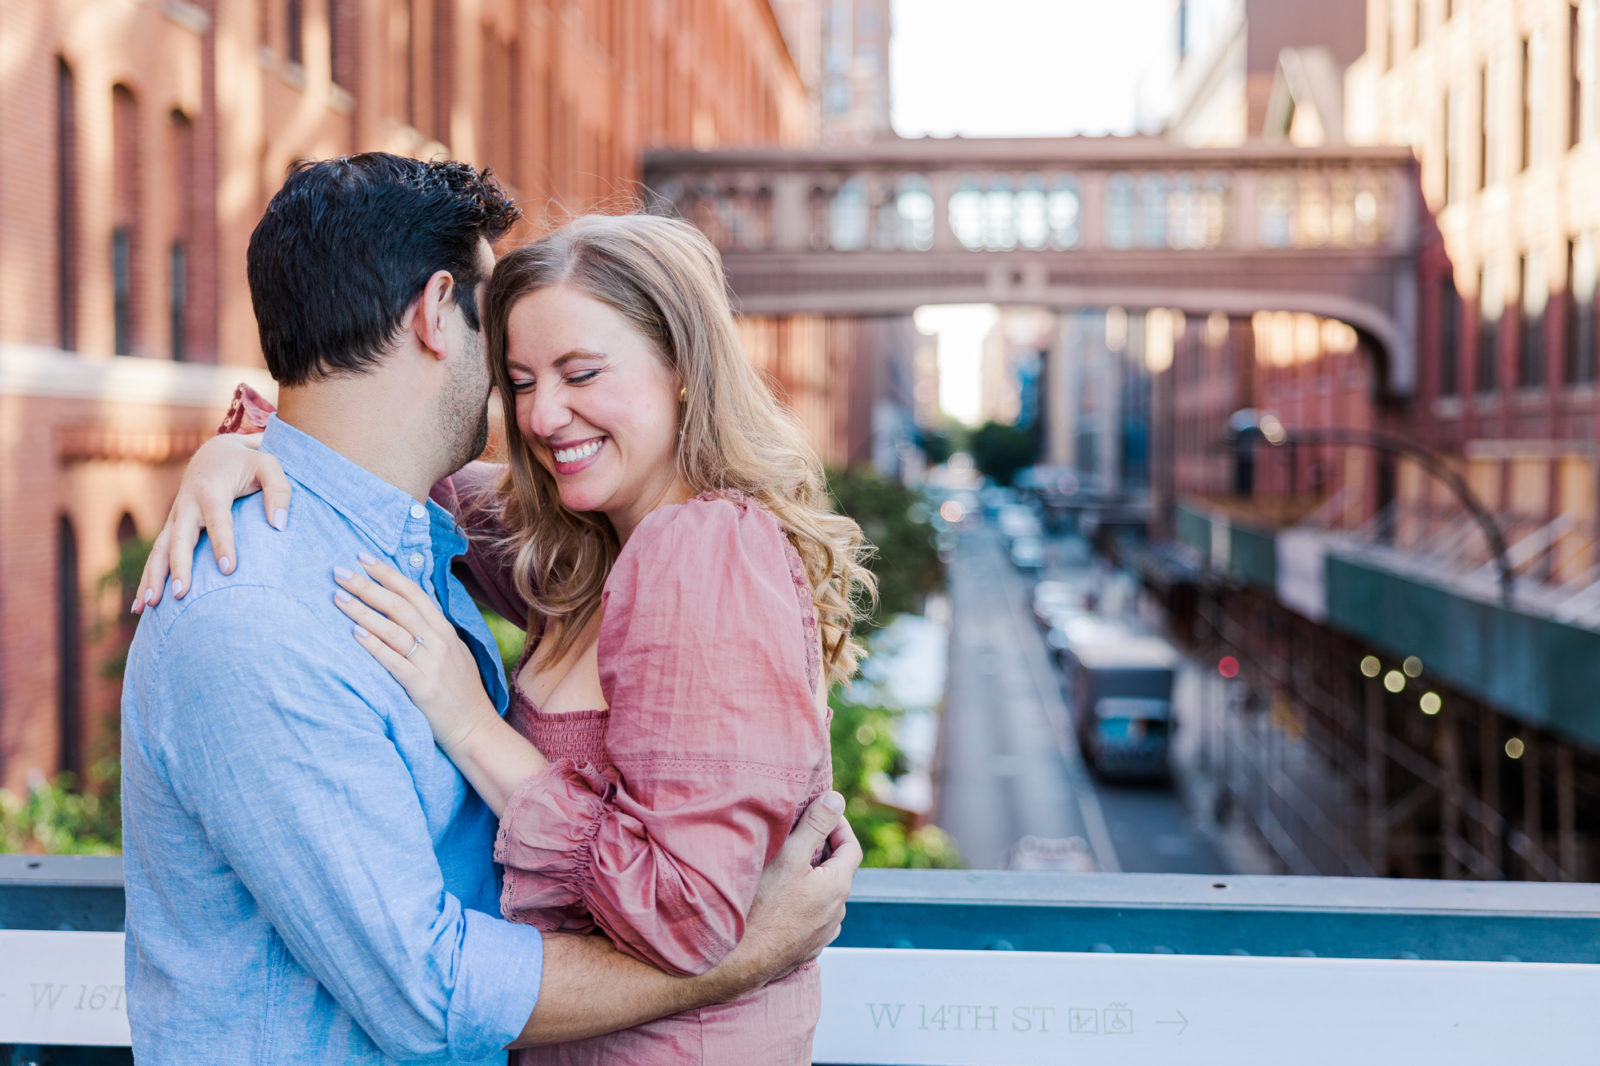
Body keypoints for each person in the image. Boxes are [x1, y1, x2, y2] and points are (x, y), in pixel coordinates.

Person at [121, 154, 859, 1065]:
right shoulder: (285, 602)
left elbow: (680, 898)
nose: (541, 415)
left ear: (680, 368)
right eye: (516, 374)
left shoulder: (646, 543)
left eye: (579, 371)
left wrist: (471, 723)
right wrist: (233, 449)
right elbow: (428, 990)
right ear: (438, 315)